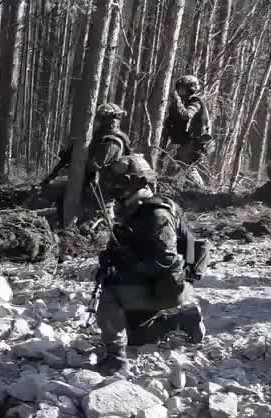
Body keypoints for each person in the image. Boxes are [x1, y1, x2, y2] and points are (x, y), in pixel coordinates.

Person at [94, 153, 205, 374]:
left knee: (111, 294)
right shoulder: (135, 209)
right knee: (136, 335)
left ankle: (116, 359)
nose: (115, 189)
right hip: (158, 282)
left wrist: (126, 271)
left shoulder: (155, 214)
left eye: (121, 183)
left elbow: (165, 260)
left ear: (136, 182)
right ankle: (185, 319)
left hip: (170, 284)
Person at [40, 102, 132, 222]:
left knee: (93, 221)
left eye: (116, 117)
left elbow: (94, 166)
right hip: (94, 187)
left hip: (99, 191)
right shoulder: (101, 137)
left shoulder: (111, 142)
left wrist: (77, 159)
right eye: (110, 117)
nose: (114, 121)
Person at [162, 74, 211, 187]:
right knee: (178, 167)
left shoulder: (195, 102)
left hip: (196, 143)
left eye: (182, 89)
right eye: (179, 89)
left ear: (191, 89)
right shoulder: (187, 102)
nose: (180, 92)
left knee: (184, 167)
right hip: (189, 143)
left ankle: (201, 191)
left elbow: (187, 116)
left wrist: (177, 102)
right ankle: (186, 190)